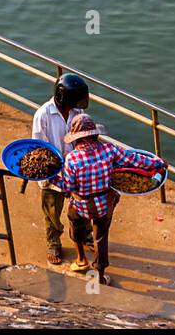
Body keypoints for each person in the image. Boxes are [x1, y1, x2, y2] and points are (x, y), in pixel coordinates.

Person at [56, 113, 165, 287]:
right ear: (95, 135)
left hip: (81, 205)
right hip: (104, 205)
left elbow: (68, 188)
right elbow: (135, 160)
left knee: (74, 223)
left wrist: (53, 178)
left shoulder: (72, 160)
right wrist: (158, 163)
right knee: (101, 237)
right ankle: (99, 276)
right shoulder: (109, 150)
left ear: (76, 139)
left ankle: (81, 259)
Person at [30, 73, 90, 265]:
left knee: (82, 204)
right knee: (52, 210)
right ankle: (53, 242)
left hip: (75, 168)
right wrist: (57, 168)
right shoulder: (43, 115)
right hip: (52, 170)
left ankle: (85, 234)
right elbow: (39, 147)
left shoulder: (77, 114)